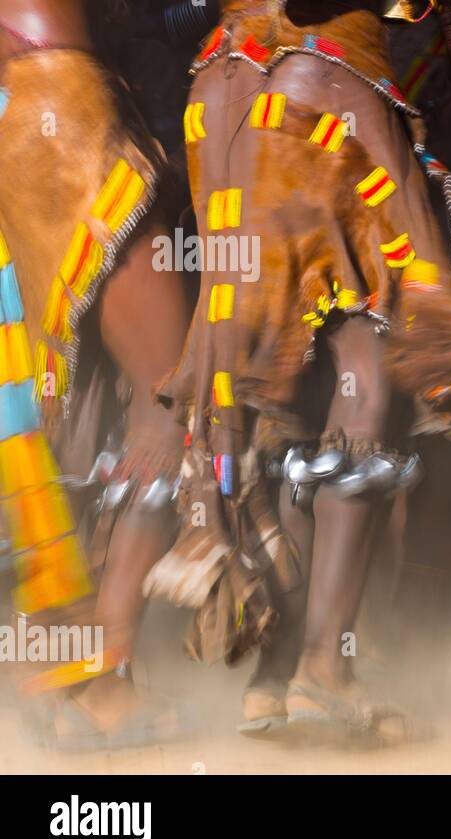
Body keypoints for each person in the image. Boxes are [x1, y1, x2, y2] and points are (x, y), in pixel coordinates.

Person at [150, 0, 451, 747]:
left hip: (221, 90)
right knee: (369, 373)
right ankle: (326, 670)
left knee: (276, 380)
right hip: (324, 87)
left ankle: (272, 677)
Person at [0, 0, 195, 748]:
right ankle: (104, 683)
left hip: (19, 108)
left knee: (66, 403)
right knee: (170, 396)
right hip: (66, 107)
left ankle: (58, 668)